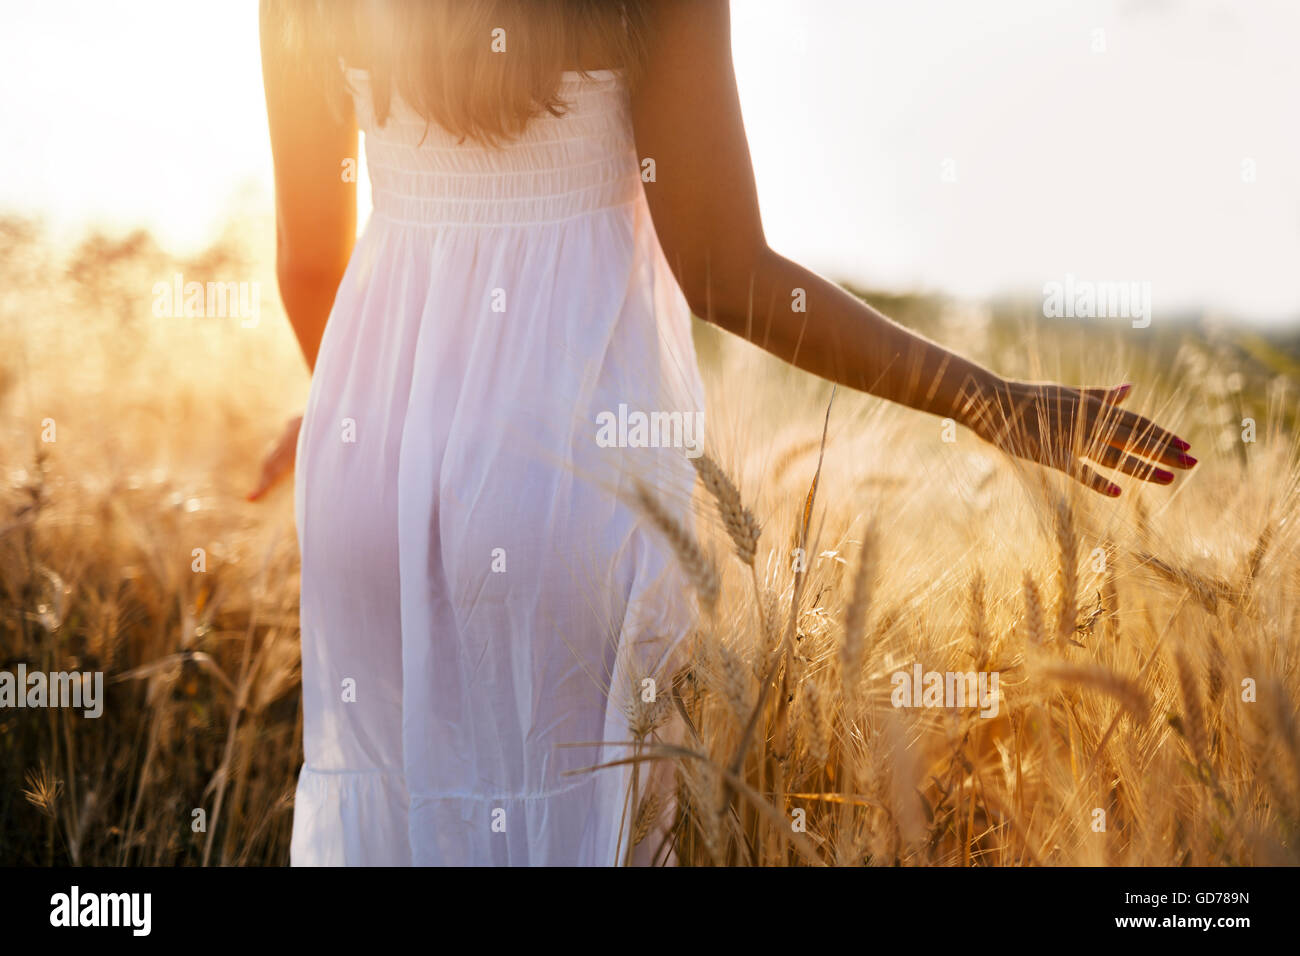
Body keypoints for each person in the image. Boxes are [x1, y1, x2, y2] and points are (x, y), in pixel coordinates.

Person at [255, 0, 1195, 866]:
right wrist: (988, 397)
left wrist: (378, 421)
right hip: (571, 485)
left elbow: (306, 266)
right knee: (575, 821)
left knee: (399, 816)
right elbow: (726, 270)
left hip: (366, 483)